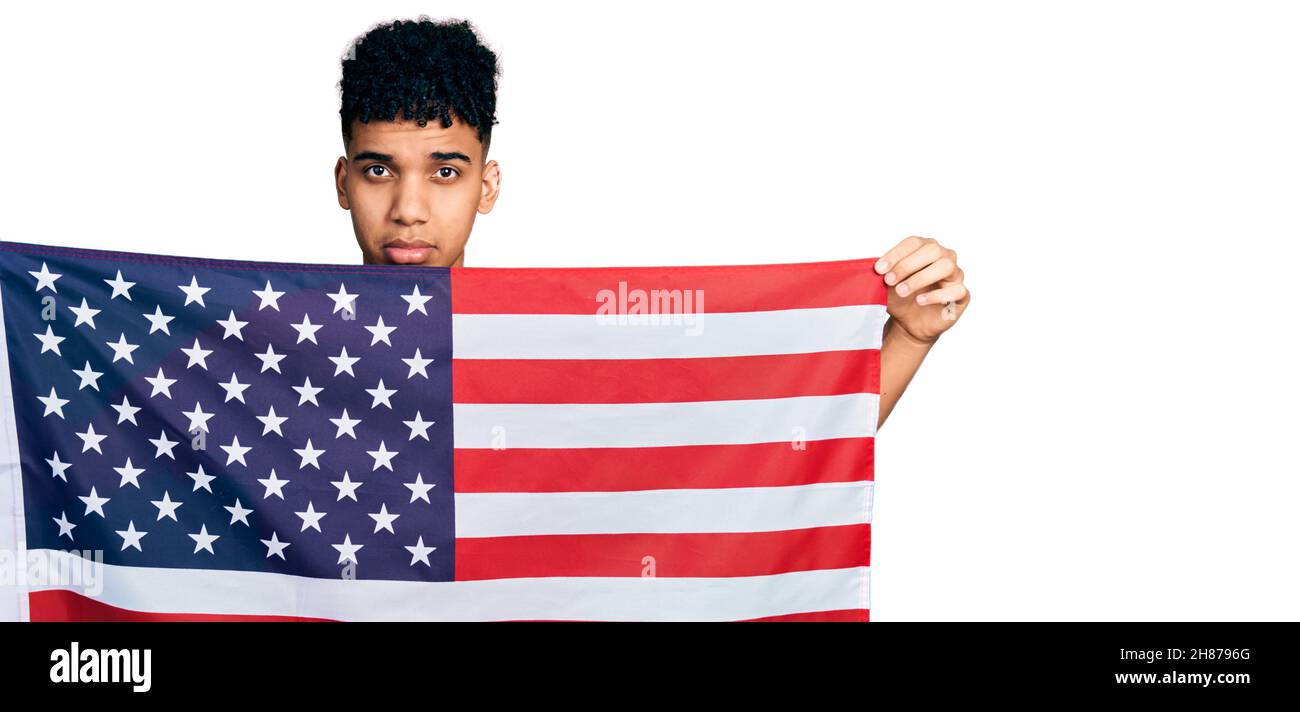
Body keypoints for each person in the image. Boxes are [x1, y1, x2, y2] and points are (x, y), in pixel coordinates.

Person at [333, 16, 969, 428]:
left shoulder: (549, 346)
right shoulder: (280, 353)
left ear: (487, 185)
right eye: (378, 170)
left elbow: (765, 457)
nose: (409, 209)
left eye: (445, 172)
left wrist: (910, 338)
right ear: (343, 182)